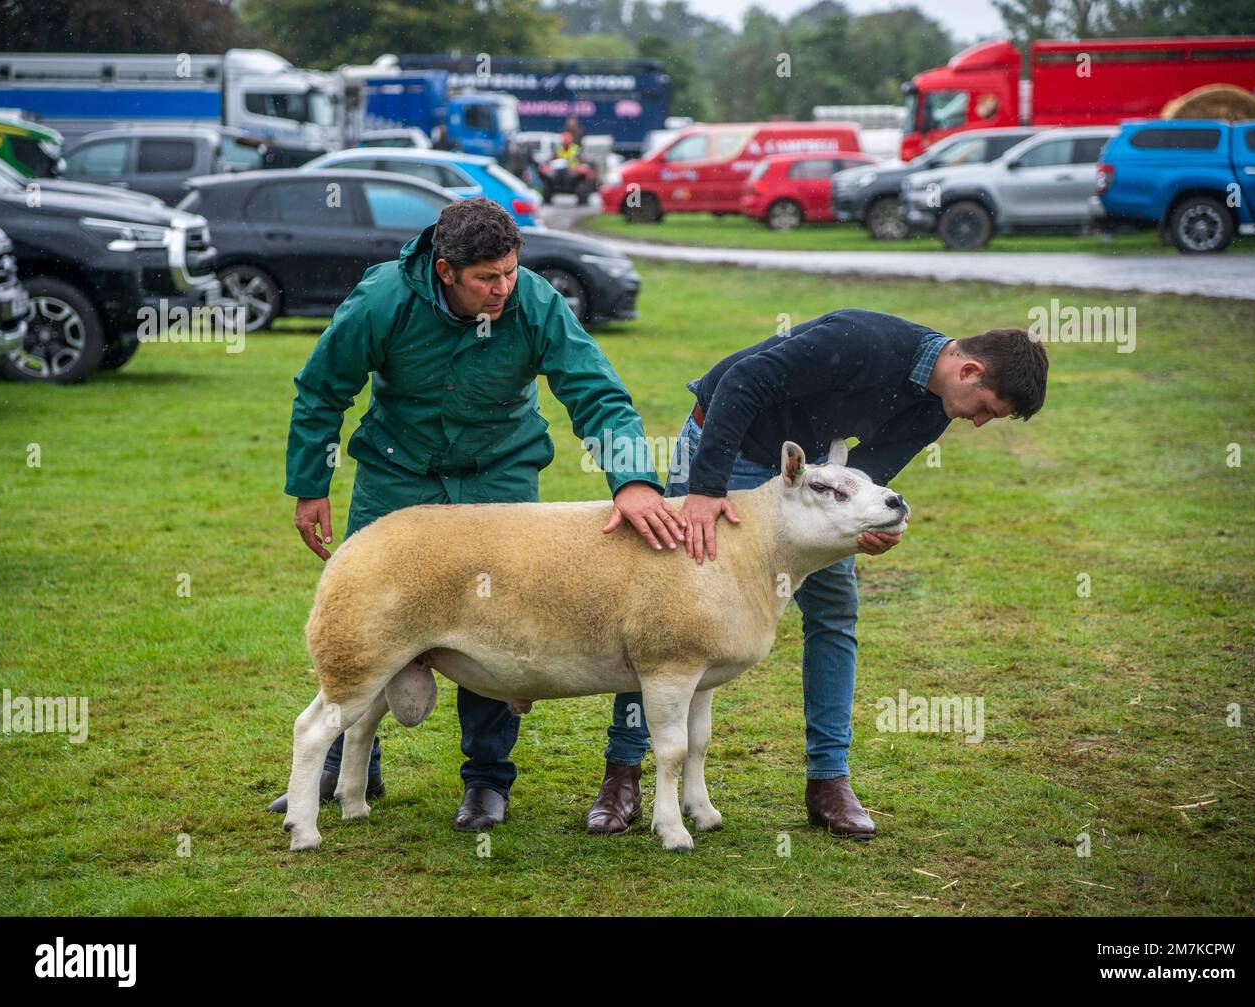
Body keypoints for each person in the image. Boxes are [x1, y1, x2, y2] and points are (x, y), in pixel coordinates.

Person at [266, 197, 685, 830]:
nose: (503, 288)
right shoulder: (383, 300)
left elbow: (596, 391)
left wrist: (632, 481)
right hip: (397, 474)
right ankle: (344, 766)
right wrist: (310, 483)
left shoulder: (534, 302)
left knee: (499, 626)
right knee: (371, 615)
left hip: (498, 474)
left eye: (510, 271)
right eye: (487, 278)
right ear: (445, 270)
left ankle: (487, 780)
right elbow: (323, 388)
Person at [585, 314, 1049, 839]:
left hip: (814, 486)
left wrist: (872, 530)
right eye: (987, 409)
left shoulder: (934, 408)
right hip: (730, 446)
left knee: (833, 610)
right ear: (968, 371)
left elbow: (864, 480)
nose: (980, 423)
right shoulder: (865, 343)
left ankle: (828, 781)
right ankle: (621, 773)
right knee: (670, 612)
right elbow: (741, 382)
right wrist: (707, 487)